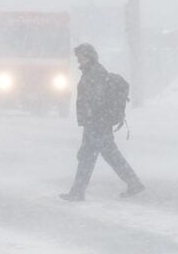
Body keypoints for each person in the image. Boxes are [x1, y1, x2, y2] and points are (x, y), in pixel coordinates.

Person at [60, 43, 144, 202]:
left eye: (81, 58)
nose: (79, 61)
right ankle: (78, 191)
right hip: (94, 122)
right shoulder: (92, 72)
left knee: (101, 156)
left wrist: (93, 119)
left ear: (89, 57)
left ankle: (133, 183)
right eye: (78, 58)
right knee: (92, 156)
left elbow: (96, 100)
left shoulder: (95, 74)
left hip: (97, 123)